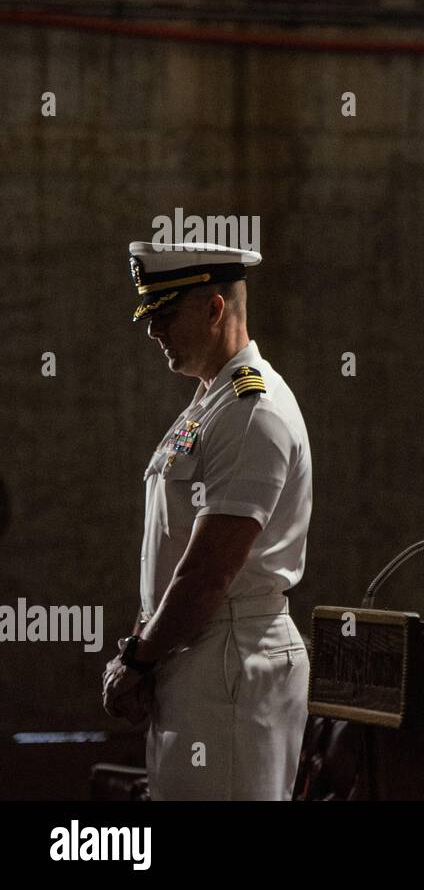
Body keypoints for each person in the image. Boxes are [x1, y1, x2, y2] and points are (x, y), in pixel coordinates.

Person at [101, 241, 313, 800]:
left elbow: (208, 572)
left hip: (231, 660)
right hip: (197, 654)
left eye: (165, 315)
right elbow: (170, 549)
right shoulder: (210, 403)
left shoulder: (252, 410)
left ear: (215, 309)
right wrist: (146, 648)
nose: (153, 331)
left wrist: (139, 659)